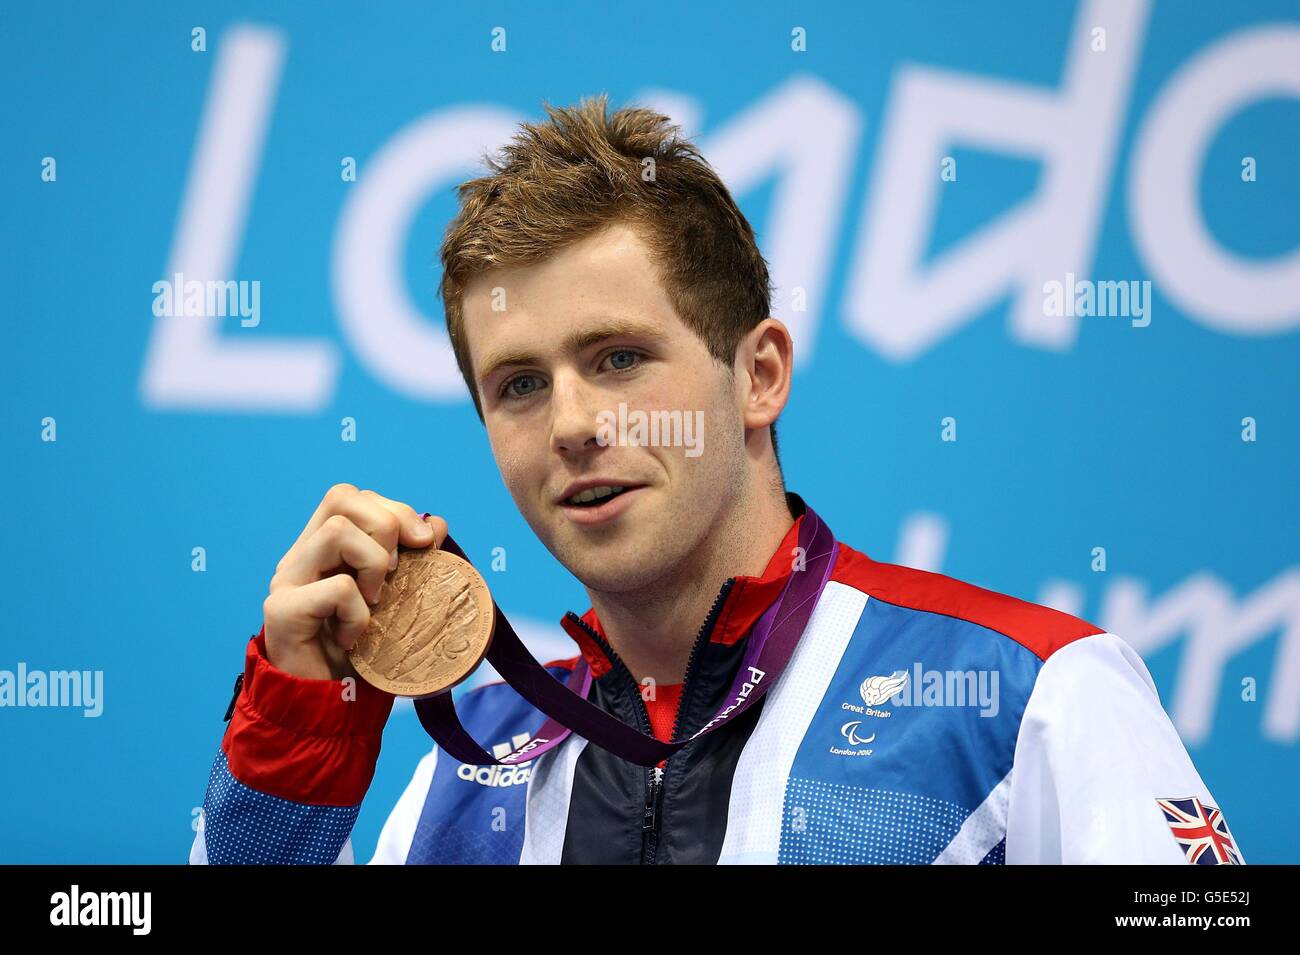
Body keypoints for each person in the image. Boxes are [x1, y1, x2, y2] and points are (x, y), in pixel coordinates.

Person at [189, 94, 1241, 866]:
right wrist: (295, 754)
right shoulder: (471, 779)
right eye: (518, 384)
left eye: (617, 358)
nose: (571, 425)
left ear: (759, 374)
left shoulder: (1030, 702)